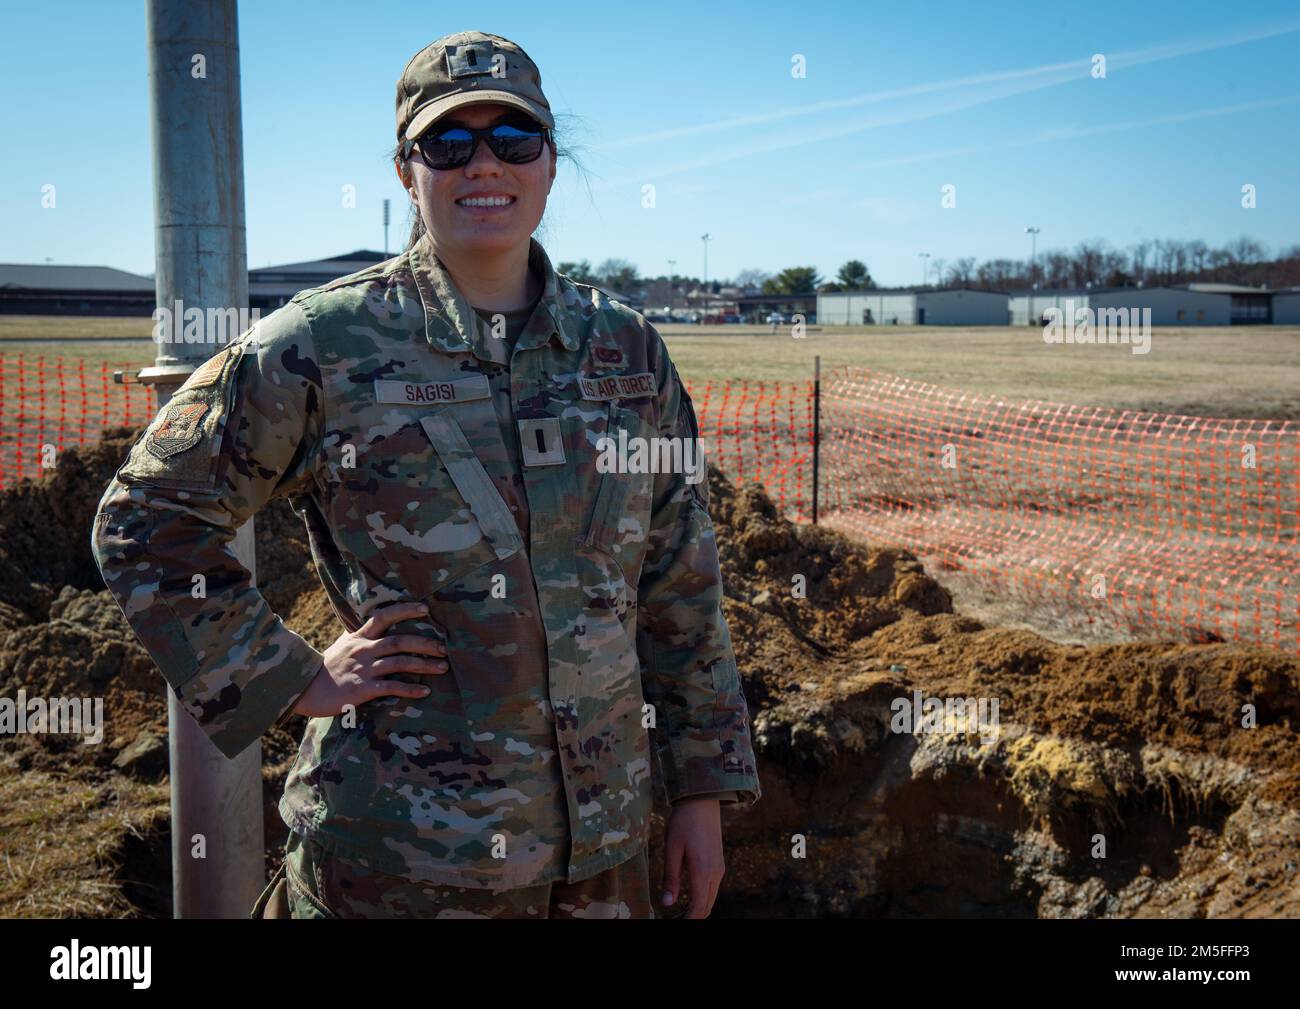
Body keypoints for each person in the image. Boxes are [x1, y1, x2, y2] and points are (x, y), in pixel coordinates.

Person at [90, 30, 761, 919]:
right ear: (408, 173)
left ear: (551, 163)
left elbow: (682, 582)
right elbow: (145, 515)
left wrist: (702, 795)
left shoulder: (625, 350)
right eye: (448, 144)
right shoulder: (324, 344)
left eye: (513, 139)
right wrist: (289, 675)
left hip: (605, 856)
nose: (484, 163)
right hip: (397, 862)